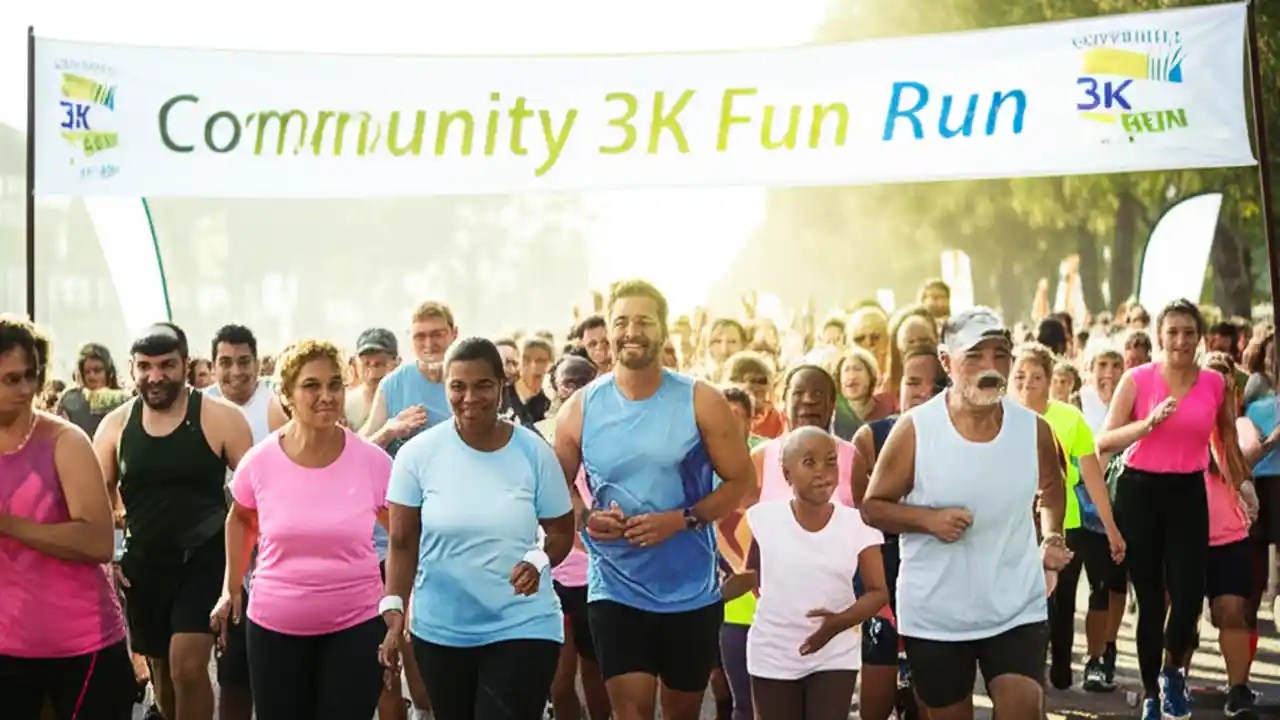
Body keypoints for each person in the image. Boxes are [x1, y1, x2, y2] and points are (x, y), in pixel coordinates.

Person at [553, 279, 755, 720]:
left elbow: (741, 480)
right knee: (632, 712)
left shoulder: (700, 399)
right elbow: (556, 486)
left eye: (644, 321)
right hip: (614, 587)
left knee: (680, 712)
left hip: (691, 590)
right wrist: (586, 517)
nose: (632, 332)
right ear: (608, 331)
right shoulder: (581, 408)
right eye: (621, 322)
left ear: (663, 330)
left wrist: (683, 519)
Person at [861, 307, 1070, 720]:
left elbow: (1052, 487)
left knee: (1024, 711)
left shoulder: (1033, 429)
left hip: (1015, 605)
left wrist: (1051, 536)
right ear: (947, 362)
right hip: (938, 612)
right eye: (974, 356)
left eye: (1000, 355)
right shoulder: (916, 429)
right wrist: (928, 520)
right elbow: (873, 507)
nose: (990, 367)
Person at [381, 337, 575, 720]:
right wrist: (394, 608)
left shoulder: (533, 451)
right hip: (442, 629)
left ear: (501, 384)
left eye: (483, 385)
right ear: (445, 387)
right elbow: (402, 542)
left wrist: (537, 561)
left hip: (523, 624)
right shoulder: (416, 455)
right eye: (458, 386)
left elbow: (561, 532)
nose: (470, 397)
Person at [210, 340, 390, 720]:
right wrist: (231, 587)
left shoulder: (373, 462)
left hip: (357, 624)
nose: (326, 395)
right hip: (275, 626)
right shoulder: (259, 462)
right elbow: (240, 519)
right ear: (287, 394)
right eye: (311, 385)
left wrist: (399, 599)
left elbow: (404, 537)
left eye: (335, 384)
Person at [1098, 299, 1250, 720]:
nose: (1181, 341)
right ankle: (1151, 693)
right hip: (1140, 492)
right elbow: (1104, 441)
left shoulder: (1214, 384)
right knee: (1150, 602)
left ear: (1199, 338)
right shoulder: (1137, 379)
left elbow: (1225, 442)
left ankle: (1171, 673)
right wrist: (1147, 424)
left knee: (1187, 597)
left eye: (1188, 333)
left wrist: (1244, 487)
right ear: (1159, 337)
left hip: (1187, 492)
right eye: (1172, 333)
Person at [93, 323, 254, 720]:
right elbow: (94, 498)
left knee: (187, 666)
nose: (156, 376)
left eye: (167, 365)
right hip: (144, 564)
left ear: (186, 364)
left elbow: (258, 493)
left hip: (205, 559)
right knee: (164, 677)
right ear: (131, 369)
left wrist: (242, 570)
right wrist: (110, 555)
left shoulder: (221, 418)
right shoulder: (116, 425)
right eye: (145, 367)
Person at [0, 316, 135, 719]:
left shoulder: (65, 441)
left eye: (32, 375)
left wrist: (10, 525)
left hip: (80, 646)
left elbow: (98, 541)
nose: (26, 389)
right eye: (11, 379)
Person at [736, 427, 888, 720]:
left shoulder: (858, 524)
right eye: (809, 462)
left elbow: (878, 592)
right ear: (787, 474)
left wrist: (837, 624)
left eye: (831, 461)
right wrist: (715, 594)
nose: (822, 472)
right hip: (774, 650)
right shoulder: (764, 519)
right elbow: (753, 576)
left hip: (835, 651)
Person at [1009, 343, 1125, 692]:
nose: (1027, 384)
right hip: (1013, 523)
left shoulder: (1070, 419)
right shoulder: (999, 416)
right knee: (1022, 602)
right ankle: (1026, 671)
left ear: (1050, 380)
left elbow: (1093, 478)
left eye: (1036, 377)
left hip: (1064, 524)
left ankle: (1060, 662)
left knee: (1060, 602)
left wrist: (1111, 529)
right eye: (1020, 376)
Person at [202, 325, 287, 720]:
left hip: (269, 552)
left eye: (243, 361)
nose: (236, 371)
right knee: (231, 670)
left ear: (258, 363)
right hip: (215, 549)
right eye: (226, 362)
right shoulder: (202, 406)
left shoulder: (274, 407)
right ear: (212, 365)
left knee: (268, 670)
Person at [541, 355, 612, 720]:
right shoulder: (538, 439)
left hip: (597, 577)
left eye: (585, 380)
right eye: (568, 382)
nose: (576, 389)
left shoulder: (612, 437)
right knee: (559, 681)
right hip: (552, 577)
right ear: (554, 387)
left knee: (596, 671)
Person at [56, 342, 129, 438]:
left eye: (97, 370)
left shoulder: (124, 402)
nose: (91, 376)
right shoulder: (70, 399)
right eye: (87, 372)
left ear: (109, 373)